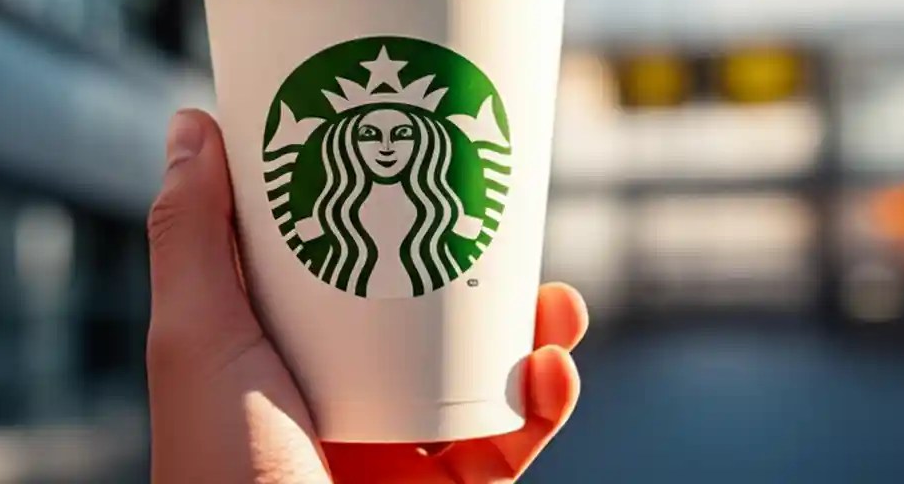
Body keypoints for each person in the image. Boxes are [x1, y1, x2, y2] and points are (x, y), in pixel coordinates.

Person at [147, 109, 589, 483]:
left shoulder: (444, 221)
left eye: (401, 134)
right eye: (368, 134)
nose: (385, 148)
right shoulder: (327, 223)